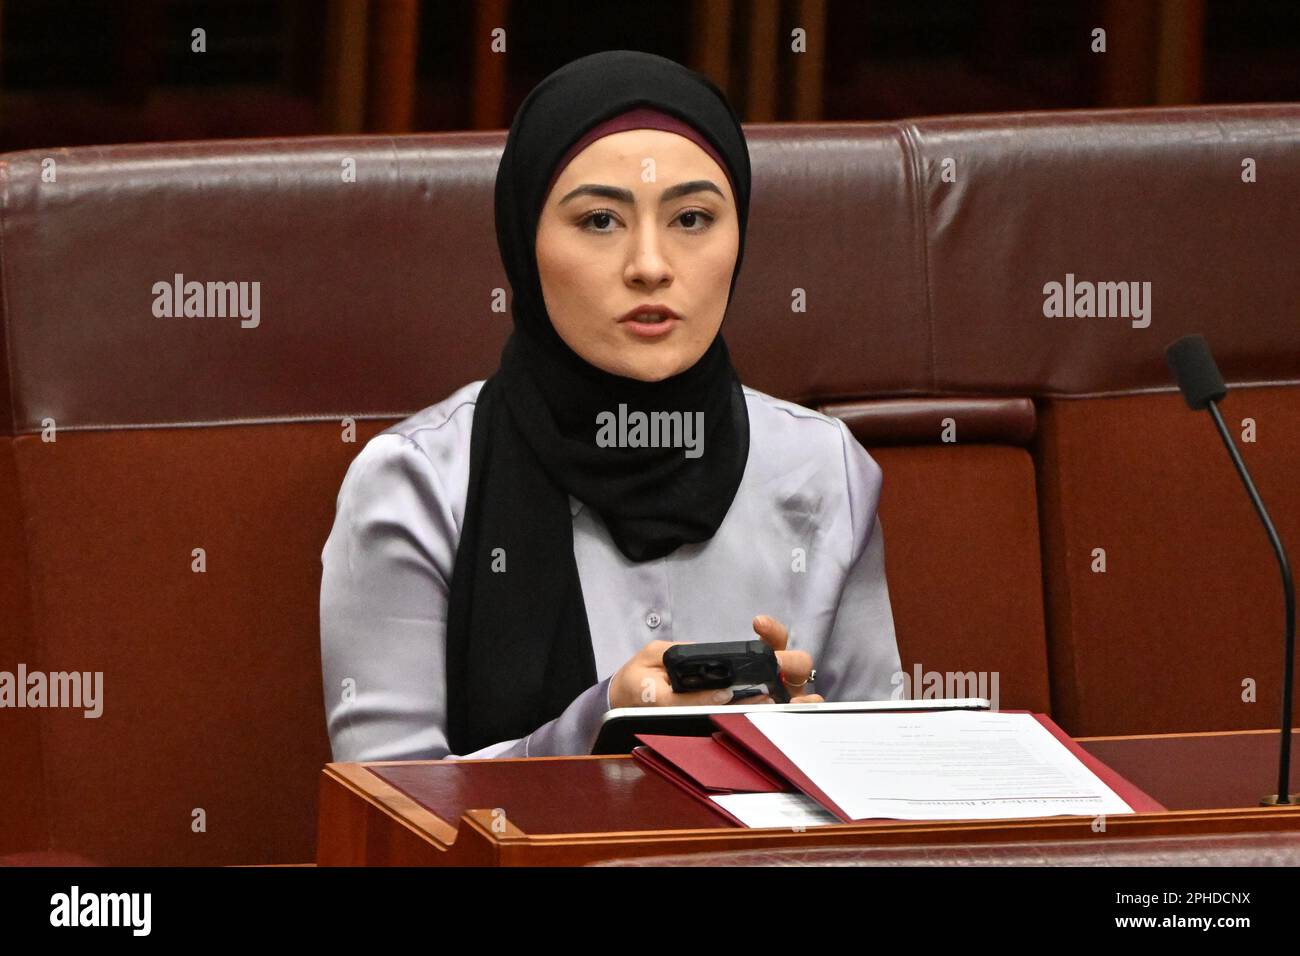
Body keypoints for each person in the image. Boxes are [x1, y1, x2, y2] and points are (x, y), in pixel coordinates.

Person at [320, 49, 901, 762]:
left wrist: (817, 753)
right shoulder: (417, 486)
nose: (651, 265)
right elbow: (390, 815)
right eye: (600, 221)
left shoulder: (822, 466)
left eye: (692, 218)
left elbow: (884, 792)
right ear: (524, 241)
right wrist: (601, 727)